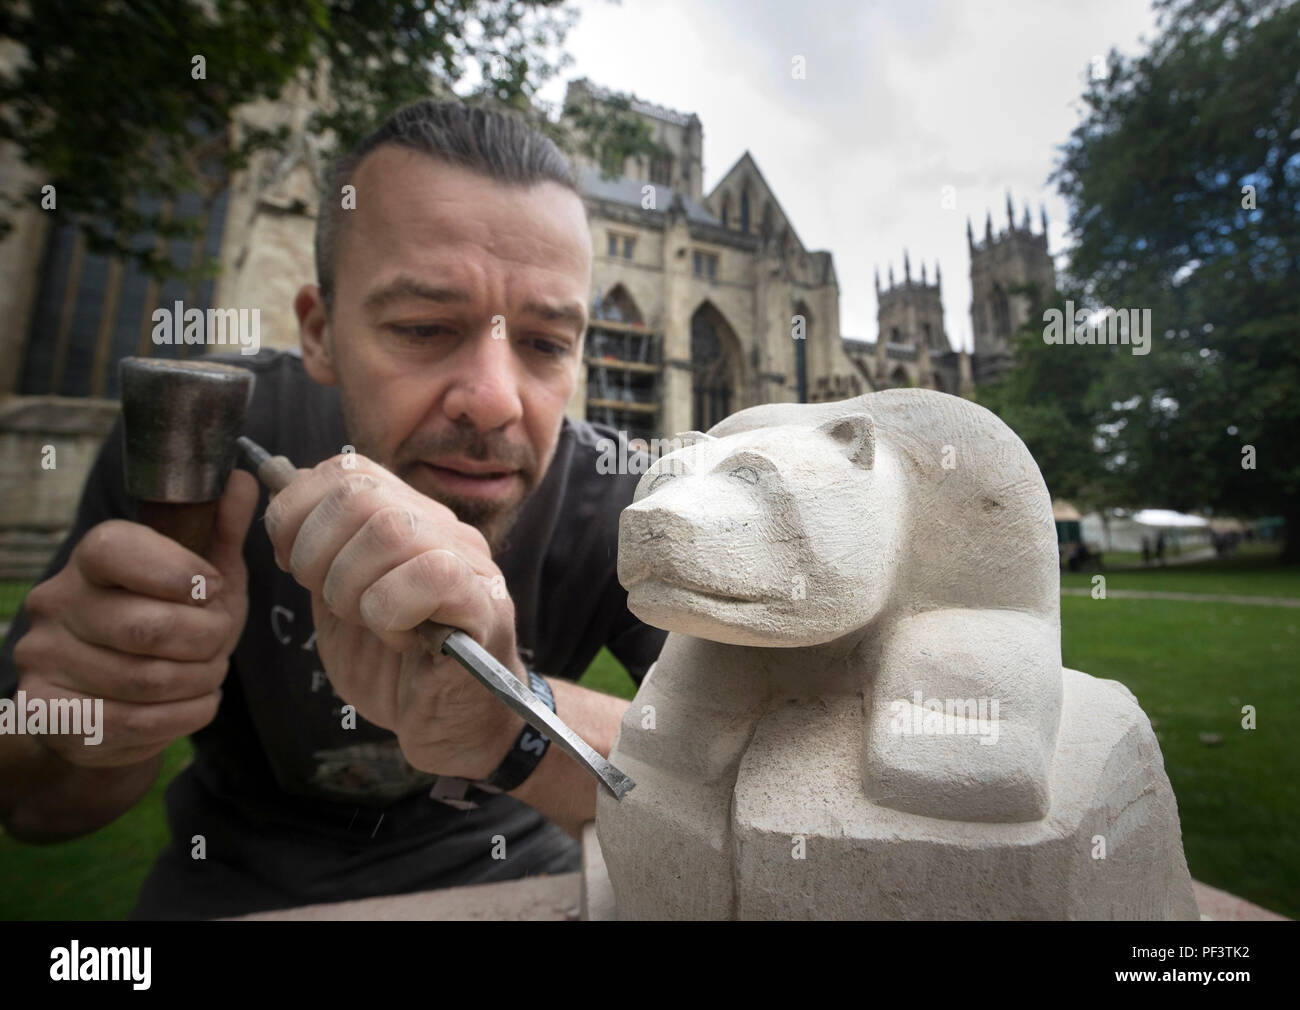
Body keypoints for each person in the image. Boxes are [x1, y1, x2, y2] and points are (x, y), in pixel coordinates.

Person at [0, 100, 667, 919]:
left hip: (519, 886)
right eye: (424, 328)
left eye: (545, 344)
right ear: (319, 332)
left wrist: (512, 723)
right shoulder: (199, 447)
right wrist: (101, 724)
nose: (495, 400)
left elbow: (757, 770)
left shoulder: (621, 500)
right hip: (239, 895)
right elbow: (34, 811)